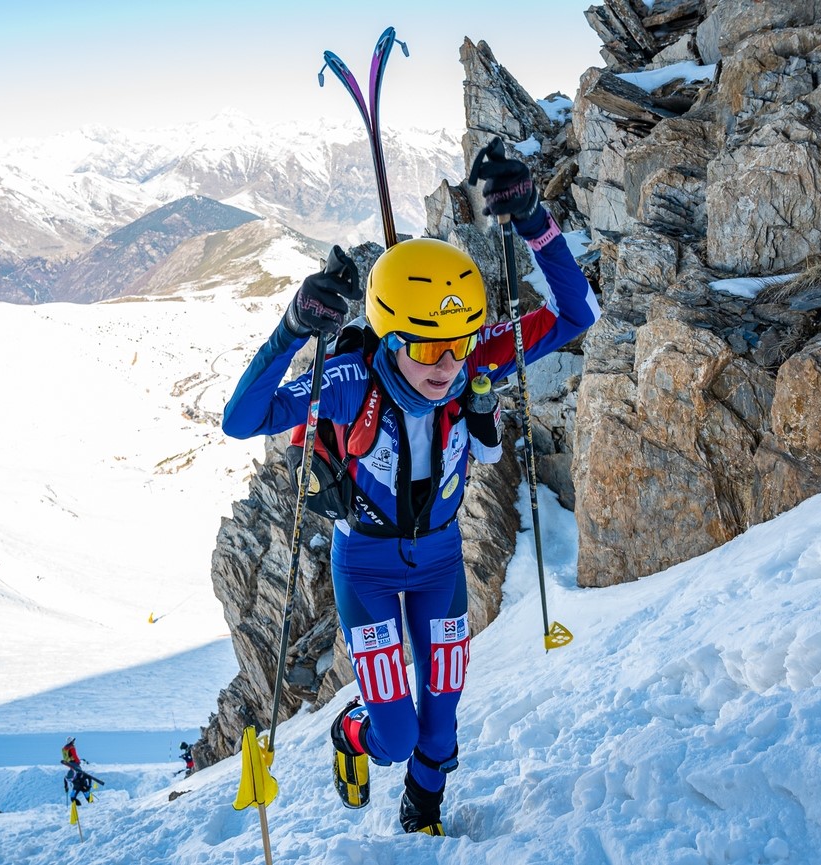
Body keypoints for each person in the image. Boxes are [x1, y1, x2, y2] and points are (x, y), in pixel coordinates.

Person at [222, 139, 599, 835]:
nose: (446, 364)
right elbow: (240, 419)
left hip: (439, 560)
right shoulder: (349, 381)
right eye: (427, 348)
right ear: (392, 335)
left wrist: (534, 222)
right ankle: (353, 734)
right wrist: (290, 330)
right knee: (394, 734)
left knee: (443, 710)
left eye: (458, 343)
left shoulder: (470, 360)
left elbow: (578, 315)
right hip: (363, 564)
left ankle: (424, 808)